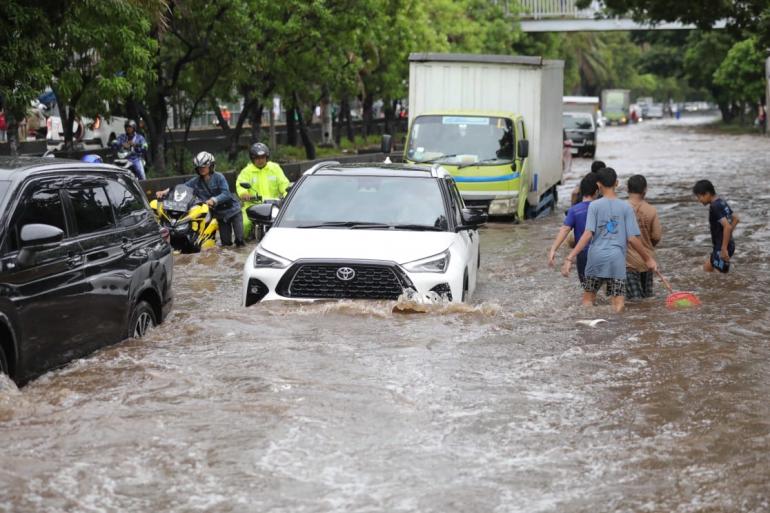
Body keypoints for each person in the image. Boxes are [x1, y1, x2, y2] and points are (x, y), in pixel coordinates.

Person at [561, 167, 657, 313]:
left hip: (596, 258)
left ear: (598, 185)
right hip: (616, 261)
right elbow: (632, 239)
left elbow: (587, 235)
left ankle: (590, 327)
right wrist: (648, 259)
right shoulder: (626, 208)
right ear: (617, 183)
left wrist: (570, 257)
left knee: (588, 299)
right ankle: (615, 329)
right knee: (618, 301)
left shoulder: (594, 206)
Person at [156, 152, 244, 247]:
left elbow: (226, 194)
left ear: (211, 166)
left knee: (239, 241)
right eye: (199, 167)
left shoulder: (219, 177)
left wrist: (213, 200)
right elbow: (182, 187)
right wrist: (164, 192)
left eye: (204, 167)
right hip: (220, 216)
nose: (201, 169)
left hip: (233, 211)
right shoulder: (196, 181)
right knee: (226, 244)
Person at [549, 174, 598, 284]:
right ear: (596, 192)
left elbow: (565, 229)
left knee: (587, 289)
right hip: (602, 254)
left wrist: (553, 249)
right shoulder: (602, 208)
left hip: (583, 255)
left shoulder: (574, 210)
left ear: (581, 191)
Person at [235, 143, 290, 238]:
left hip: (274, 206)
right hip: (253, 206)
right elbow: (240, 185)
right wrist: (244, 193)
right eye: (257, 157)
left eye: (262, 157)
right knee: (244, 225)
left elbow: (284, 184)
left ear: (267, 157)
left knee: (288, 223)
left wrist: (288, 195)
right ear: (252, 159)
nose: (260, 160)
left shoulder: (275, 168)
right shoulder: (246, 171)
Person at [625, 175, 662, 299]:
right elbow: (656, 236)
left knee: (634, 302)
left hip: (627, 263)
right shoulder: (651, 210)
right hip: (647, 261)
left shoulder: (620, 208)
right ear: (645, 190)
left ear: (627, 189)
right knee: (647, 299)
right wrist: (647, 246)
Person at [693, 180, 739, 273]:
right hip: (727, 244)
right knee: (711, 271)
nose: (699, 200)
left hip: (722, 247)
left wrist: (724, 248)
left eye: (699, 197)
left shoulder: (714, 207)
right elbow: (736, 219)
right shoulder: (721, 202)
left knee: (715, 275)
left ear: (707, 194)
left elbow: (727, 227)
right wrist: (727, 237)